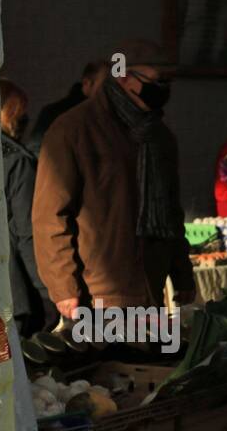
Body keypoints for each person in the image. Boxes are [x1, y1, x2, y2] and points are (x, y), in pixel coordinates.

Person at [33, 39, 195, 324]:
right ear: (124, 76)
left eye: (169, 80)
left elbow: (171, 211)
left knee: (144, 367)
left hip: (149, 288)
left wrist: (182, 274)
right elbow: (50, 214)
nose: (164, 89)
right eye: (158, 80)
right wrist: (64, 288)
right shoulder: (74, 129)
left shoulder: (159, 136)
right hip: (95, 292)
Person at [0, 80, 57, 339]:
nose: (24, 119)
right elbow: (27, 232)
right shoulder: (17, 162)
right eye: (20, 111)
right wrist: (50, 292)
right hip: (17, 289)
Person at [27, 60, 105, 153]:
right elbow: (37, 150)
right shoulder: (56, 113)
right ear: (87, 83)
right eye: (105, 84)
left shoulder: (104, 117)